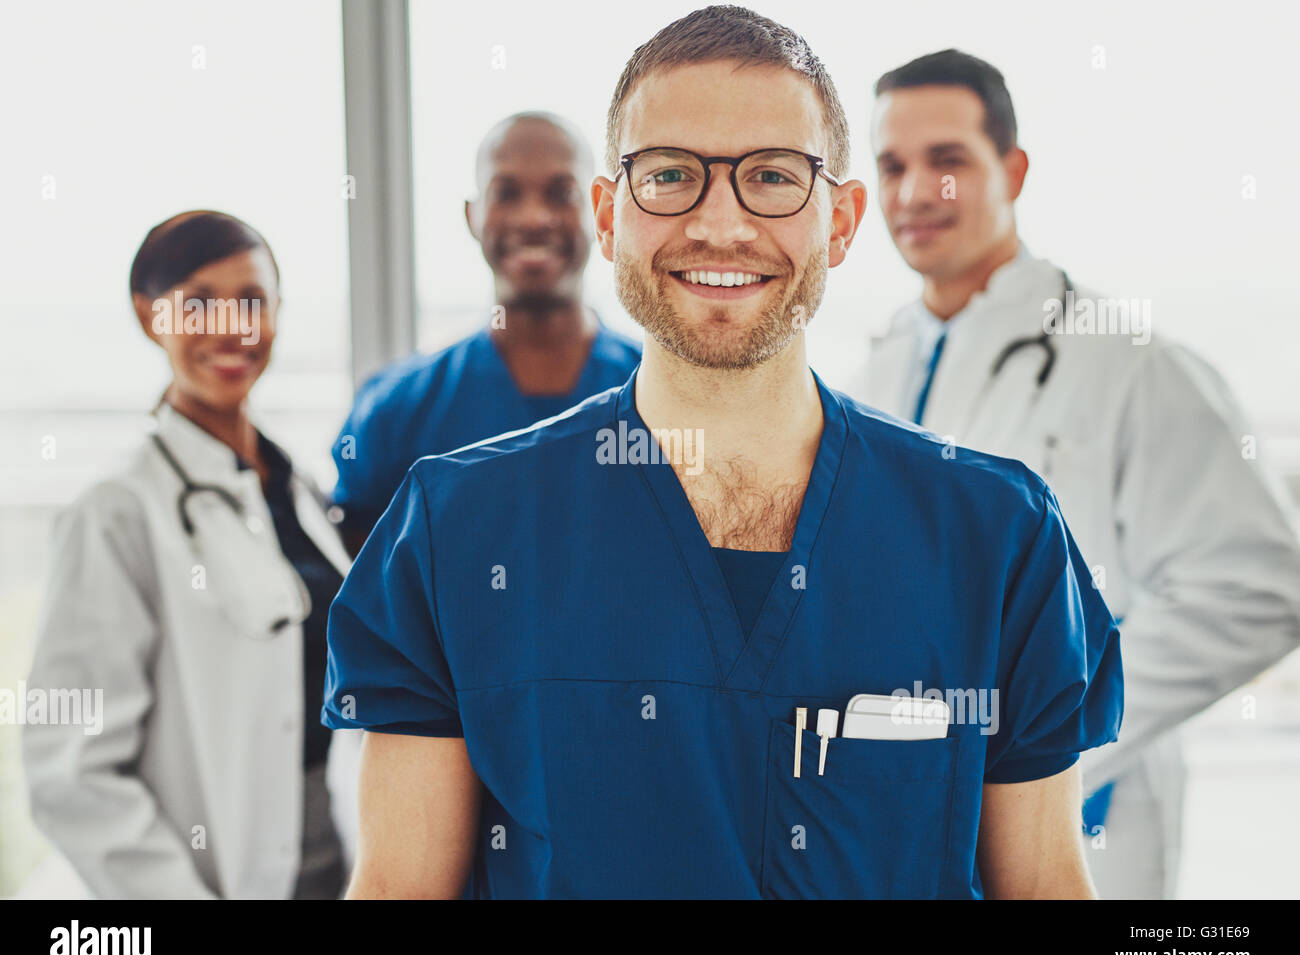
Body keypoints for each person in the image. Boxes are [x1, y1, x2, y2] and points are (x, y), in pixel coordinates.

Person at [323, 6, 1122, 899]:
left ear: (843, 222)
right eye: (669, 175)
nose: (720, 224)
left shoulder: (997, 537)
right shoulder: (454, 534)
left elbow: (1047, 884)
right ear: (610, 215)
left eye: (774, 177)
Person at [852, 49, 1300, 898]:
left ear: (1012, 170)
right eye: (892, 166)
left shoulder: (1127, 363)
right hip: (919, 808)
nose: (914, 192)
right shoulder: (876, 373)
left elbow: (1260, 588)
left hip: (1092, 814)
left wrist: (1060, 732)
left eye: (947, 161)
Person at [22, 211, 362, 899]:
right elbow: (70, 775)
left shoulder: (293, 491)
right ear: (151, 316)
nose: (231, 328)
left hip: (338, 857)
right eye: (198, 303)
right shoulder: (117, 513)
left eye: (252, 301)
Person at [332, 111, 642, 555]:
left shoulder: (666, 403)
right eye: (507, 193)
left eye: (560, 193)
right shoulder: (394, 413)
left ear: (602, 214)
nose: (534, 218)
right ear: (472, 217)